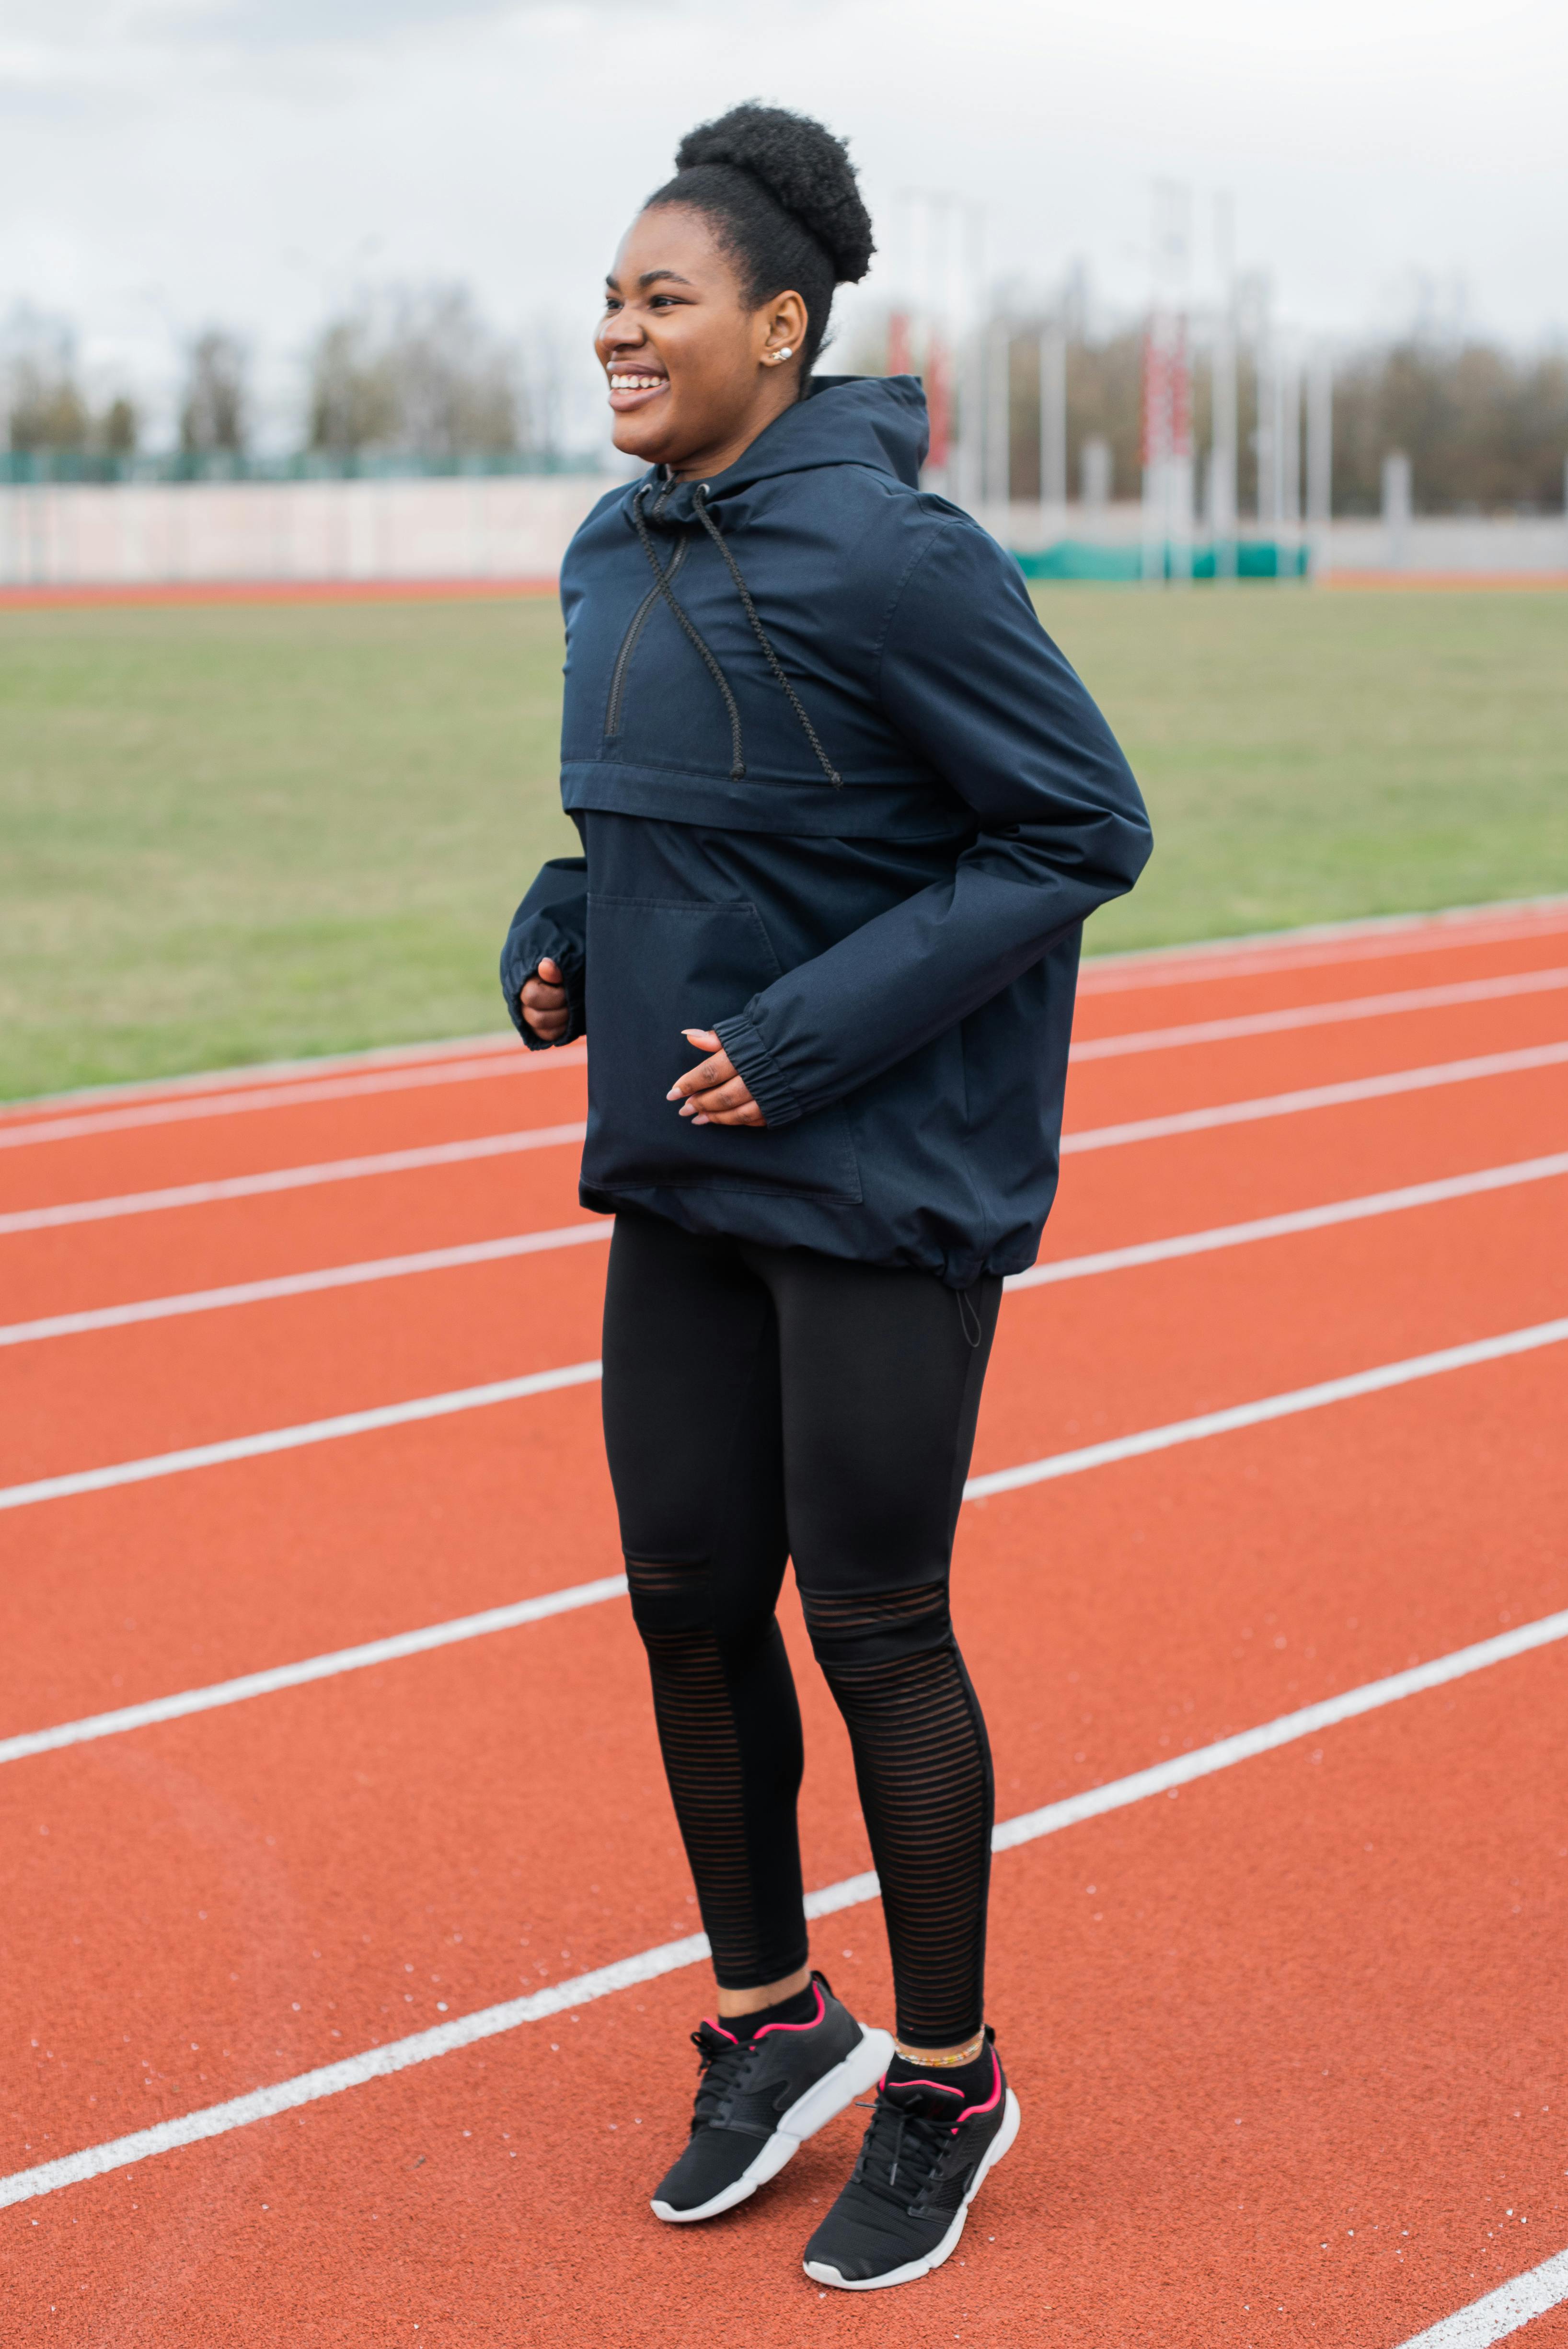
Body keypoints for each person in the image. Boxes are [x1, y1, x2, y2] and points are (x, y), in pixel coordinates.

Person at [501, 103, 1151, 2292]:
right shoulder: (609, 550)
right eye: (608, 296)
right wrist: (563, 922)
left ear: (779, 328)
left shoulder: (899, 558)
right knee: (686, 1600)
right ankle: (775, 2017)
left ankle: (945, 2078)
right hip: (681, 1169)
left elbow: (1077, 827)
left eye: (662, 297)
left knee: (874, 1625)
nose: (618, 329)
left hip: (879, 1171)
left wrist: (800, 1036)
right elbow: (655, 825)